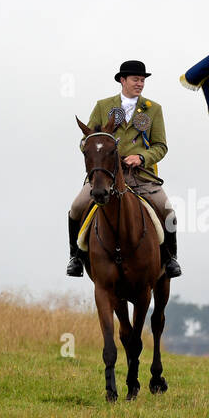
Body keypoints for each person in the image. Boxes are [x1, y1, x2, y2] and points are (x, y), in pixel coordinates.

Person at [67, 60, 181, 278]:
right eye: (135, 80)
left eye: (142, 80)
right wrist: (94, 150)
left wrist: (141, 157)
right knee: (76, 207)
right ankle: (75, 258)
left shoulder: (153, 109)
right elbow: (86, 139)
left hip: (141, 176)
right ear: (123, 80)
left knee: (168, 211)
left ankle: (170, 259)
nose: (140, 84)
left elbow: (161, 146)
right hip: (105, 175)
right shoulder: (103, 106)